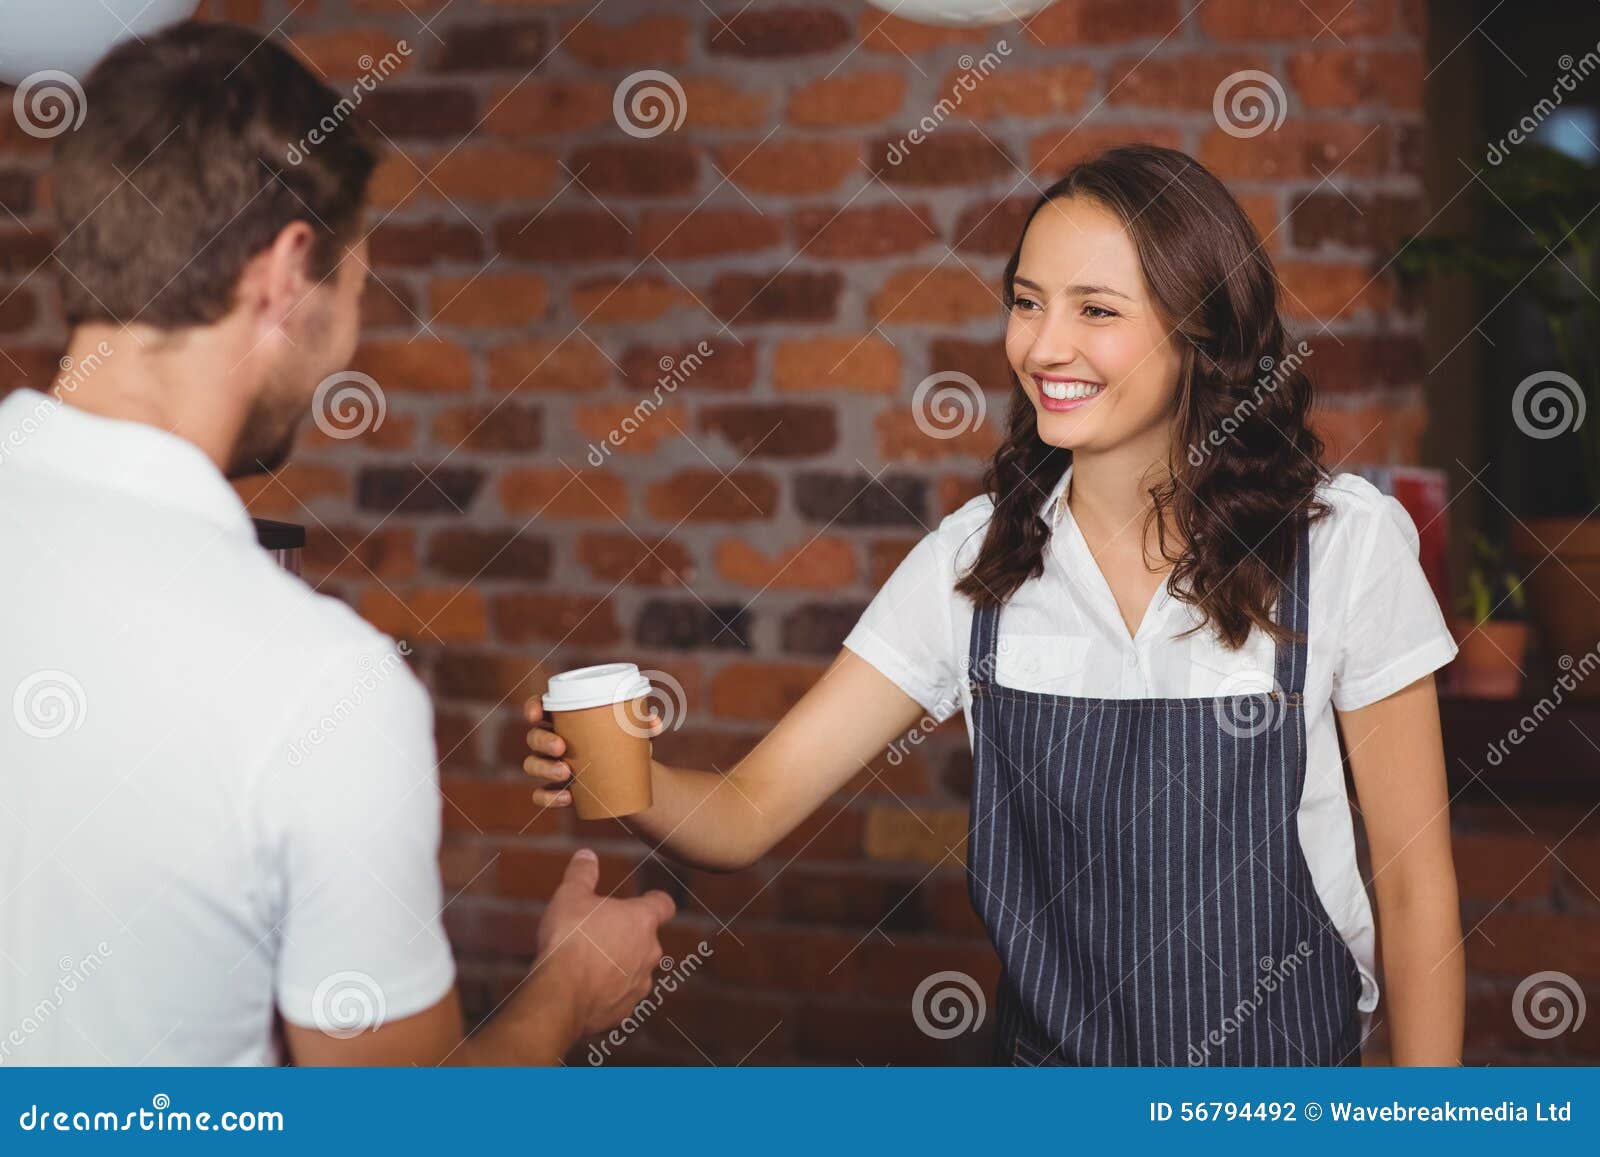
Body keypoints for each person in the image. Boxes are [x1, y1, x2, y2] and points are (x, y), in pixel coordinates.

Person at [527, 145, 1466, 1066]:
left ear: (1202, 333)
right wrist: (627, 775)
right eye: (1026, 301)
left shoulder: (1340, 545)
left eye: (1095, 310)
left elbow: (1416, 884)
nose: (1043, 346)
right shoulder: (974, 564)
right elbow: (746, 808)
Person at [0, 21, 673, 1066]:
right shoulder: (323, 687)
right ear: (287, 271)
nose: (346, 345)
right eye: (358, 289)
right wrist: (570, 986)